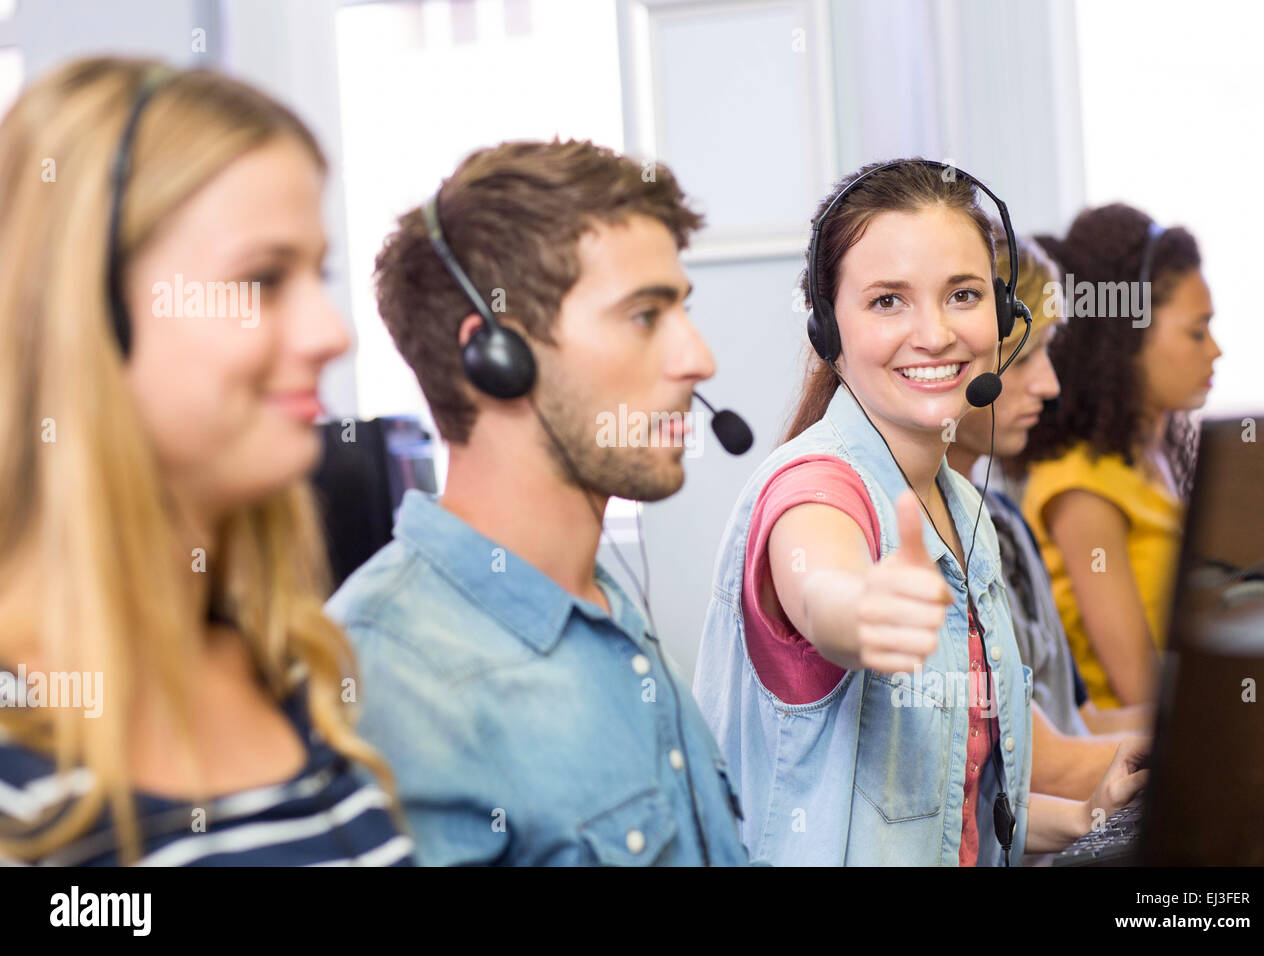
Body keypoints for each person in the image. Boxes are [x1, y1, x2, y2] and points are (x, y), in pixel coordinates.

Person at [0, 58, 412, 866]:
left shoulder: (290, 670)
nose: (333, 333)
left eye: (316, 275)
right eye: (261, 280)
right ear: (90, 316)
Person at [693, 159, 1146, 866]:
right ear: (827, 331)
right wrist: (858, 612)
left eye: (962, 295)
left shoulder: (962, 506)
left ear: (1001, 316)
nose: (934, 334)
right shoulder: (814, 491)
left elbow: (962, 813)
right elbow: (821, 585)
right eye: (887, 301)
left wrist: (1093, 814)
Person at [327, 139, 750, 865]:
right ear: (494, 357)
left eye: (682, 309)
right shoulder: (392, 676)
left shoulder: (607, 611)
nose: (698, 358)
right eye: (645, 315)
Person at [947, 231, 1149, 809]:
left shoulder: (1003, 518)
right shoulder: (919, 529)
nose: (1051, 385)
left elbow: (1080, 721)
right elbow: (1046, 767)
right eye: (1027, 354)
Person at [1012, 205, 1219, 709]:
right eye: (1197, 331)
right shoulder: (1082, 487)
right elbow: (1143, 692)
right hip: (1140, 764)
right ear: (1128, 340)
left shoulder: (1159, 458)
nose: (1215, 350)